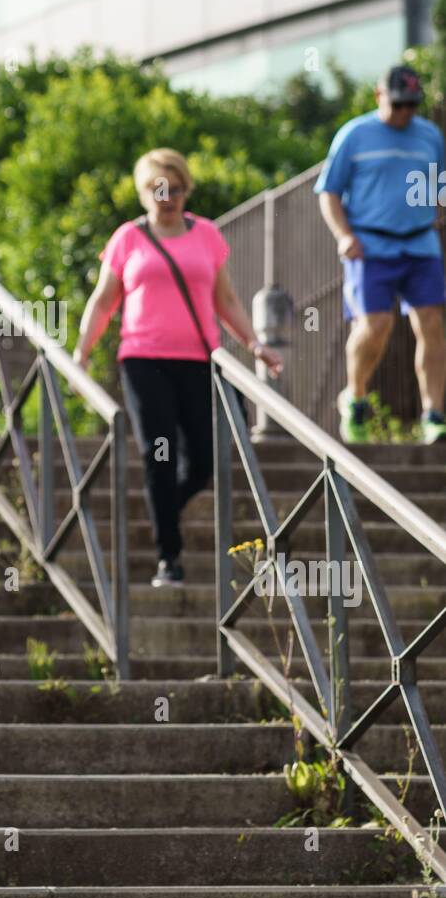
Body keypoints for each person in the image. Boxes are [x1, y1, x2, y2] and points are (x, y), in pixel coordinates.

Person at [73, 148, 282, 587]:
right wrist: (82, 351)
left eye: (176, 188)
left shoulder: (206, 235)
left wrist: (255, 344)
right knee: (159, 452)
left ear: (187, 189)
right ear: (144, 192)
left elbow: (225, 299)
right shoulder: (128, 238)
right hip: (145, 361)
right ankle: (169, 557)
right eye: (157, 189)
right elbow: (105, 301)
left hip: (199, 361)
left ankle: (162, 507)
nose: (167, 197)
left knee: (205, 459)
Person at [315, 64, 446, 444]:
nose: (405, 112)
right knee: (375, 326)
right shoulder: (355, 135)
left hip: (420, 243)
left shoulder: (429, 136)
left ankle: (433, 414)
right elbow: (329, 192)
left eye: (412, 105)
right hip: (370, 246)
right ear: (379, 96)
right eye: (399, 104)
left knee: (432, 324)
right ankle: (355, 398)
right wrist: (344, 235)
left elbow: (438, 188)